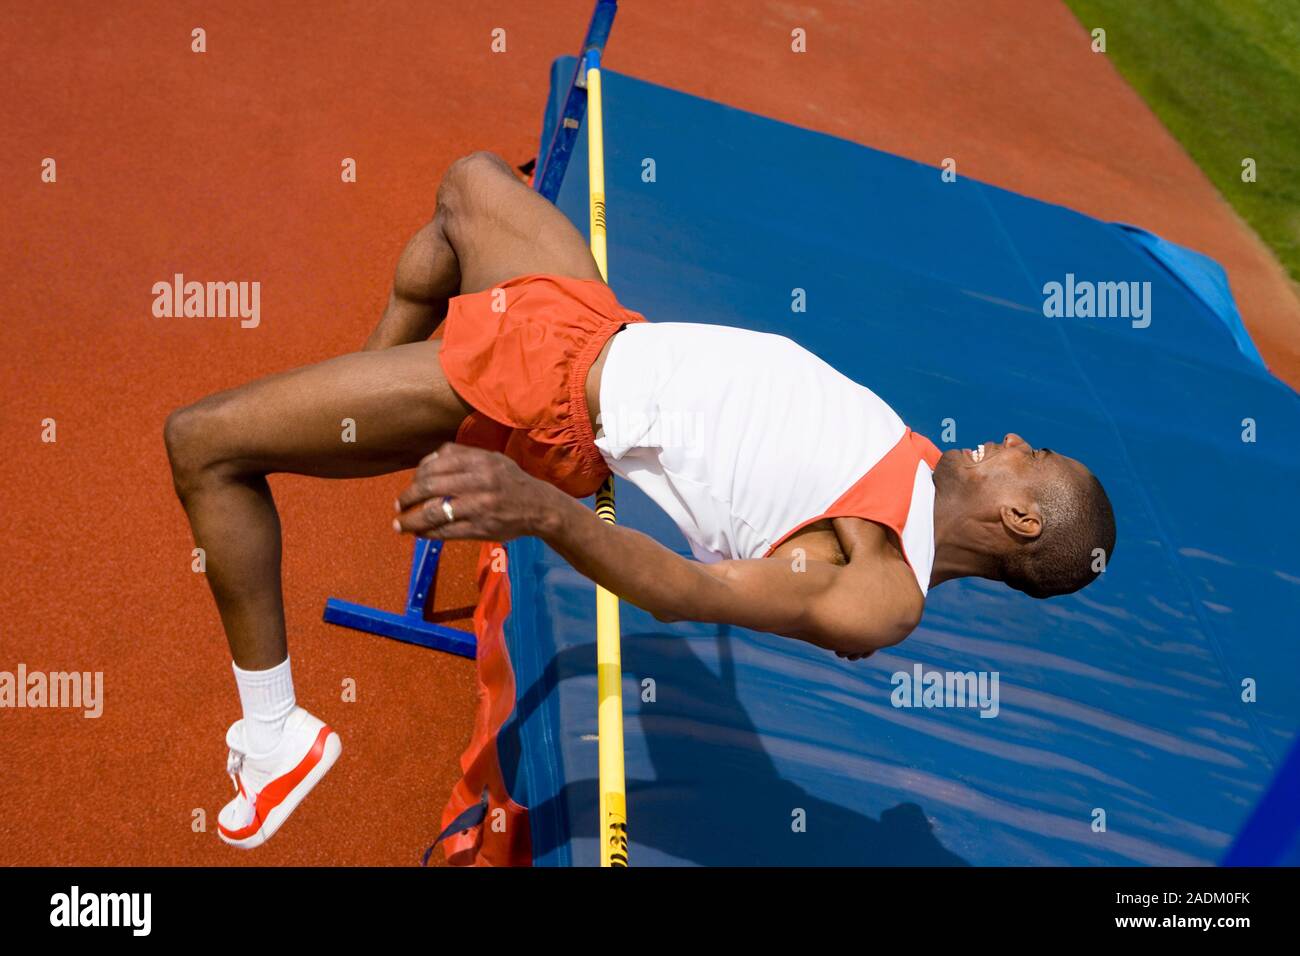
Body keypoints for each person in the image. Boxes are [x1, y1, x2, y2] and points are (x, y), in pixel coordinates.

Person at [164, 151, 1117, 848]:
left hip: (547, 393)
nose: (1014, 442)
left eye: (1032, 458)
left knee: (202, 445)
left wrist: (538, 511)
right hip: (596, 325)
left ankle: (277, 733)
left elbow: (686, 593)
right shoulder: (913, 463)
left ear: (1020, 519)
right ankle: (369, 407)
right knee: (466, 188)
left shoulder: (879, 581)